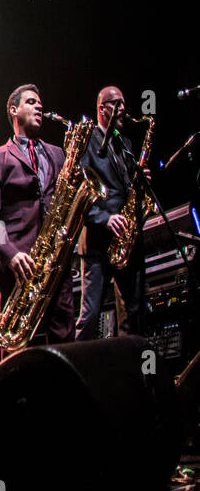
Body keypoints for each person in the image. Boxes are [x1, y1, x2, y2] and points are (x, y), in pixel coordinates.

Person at [0, 84, 76, 346]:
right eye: (31, 102)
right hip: (18, 268)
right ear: (14, 110)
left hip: (56, 263)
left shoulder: (58, 154)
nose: (39, 107)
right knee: (17, 347)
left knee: (64, 343)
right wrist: (10, 255)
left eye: (40, 104)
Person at [74, 86, 146, 338]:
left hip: (126, 238)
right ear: (101, 108)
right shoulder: (87, 140)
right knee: (91, 315)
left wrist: (139, 182)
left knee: (132, 311)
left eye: (125, 103)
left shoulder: (124, 143)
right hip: (97, 240)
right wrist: (105, 218)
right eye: (116, 103)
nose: (123, 109)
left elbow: (124, 189)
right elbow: (79, 192)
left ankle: (127, 370)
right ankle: (81, 372)